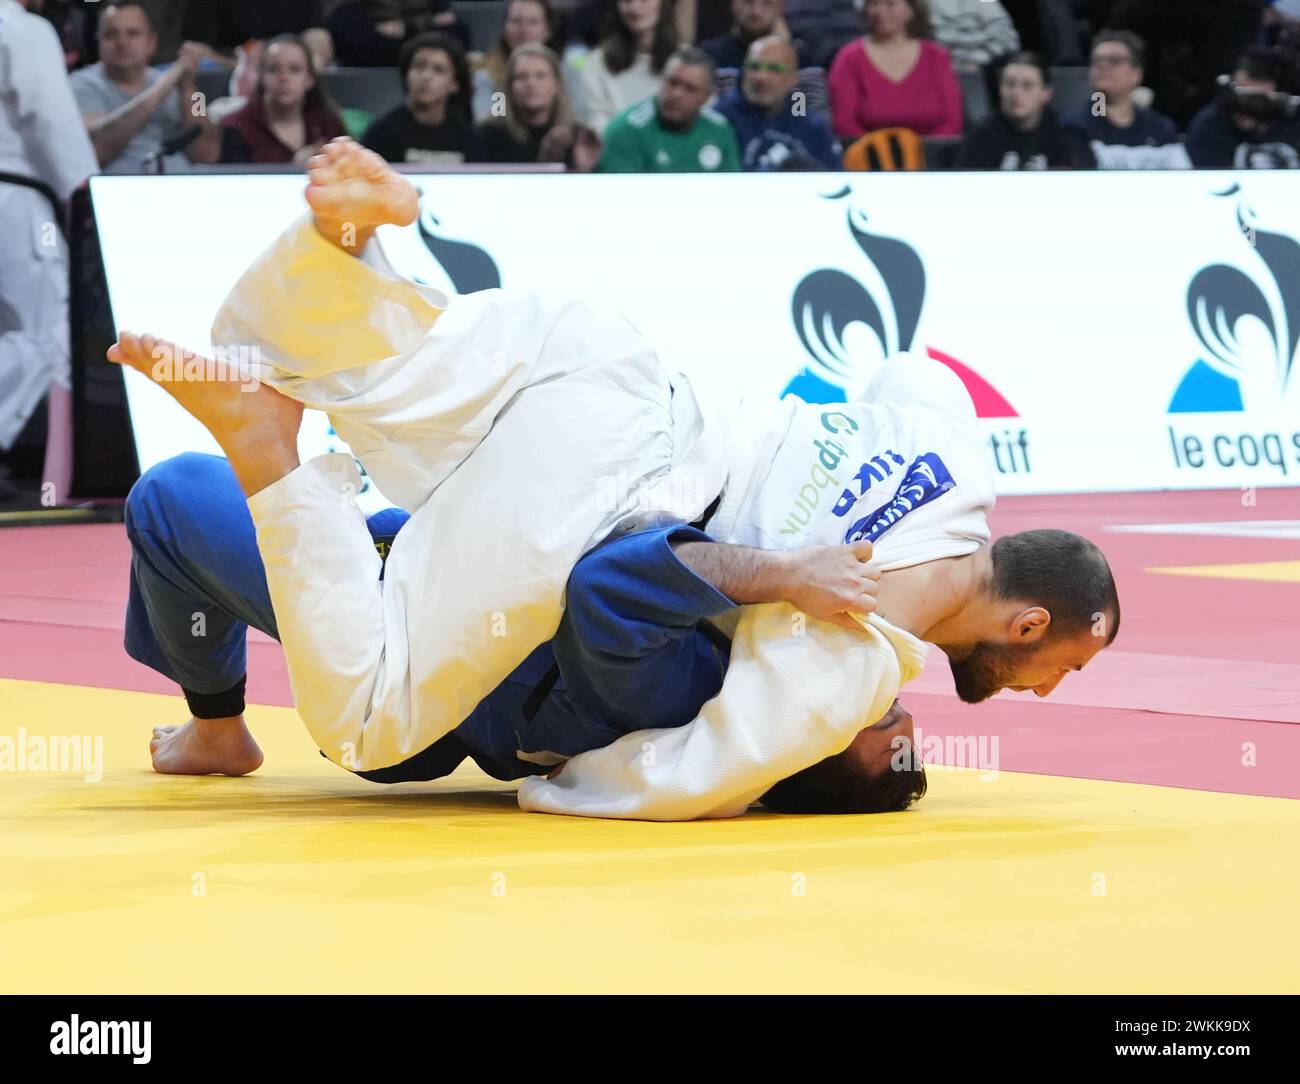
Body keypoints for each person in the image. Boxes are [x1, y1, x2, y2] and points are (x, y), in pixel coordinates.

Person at [108, 138, 1120, 820]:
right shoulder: (845, 660)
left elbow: (913, 371)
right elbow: (680, 775)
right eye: (1064, 666)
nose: (1047, 689)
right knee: (371, 719)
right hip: (591, 504)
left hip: (622, 378)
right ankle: (271, 455)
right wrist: (560, 783)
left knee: (404, 390)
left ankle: (351, 243)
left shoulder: (953, 455)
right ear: (1028, 621)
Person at [0, 0, 98, 501]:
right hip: (14, 202)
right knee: (43, 331)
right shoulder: (22, 29)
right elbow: (50, 120)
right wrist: (86, 194)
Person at [70, 0, 220, 173]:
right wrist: (164, 85)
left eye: (133, 33)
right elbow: (96, 148)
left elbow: (208, 153)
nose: (122, 42)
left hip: (180, 184)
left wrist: (189, 89)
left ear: (151, 41)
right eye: (111, 34)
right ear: (98, 41)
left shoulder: (185, 89)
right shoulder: (81, 85)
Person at [827, 0, 963, 143]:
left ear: (911, 10)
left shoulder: (936, 57)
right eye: (873, 4)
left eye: (890, 4)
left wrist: (921, 150)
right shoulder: (849, 57)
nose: (879, 11)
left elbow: (952, 121)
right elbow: (844, 123)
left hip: (934, 154)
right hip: (867, 153)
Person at [597, 46, 742, 171]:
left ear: (706, 97)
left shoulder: (719, 130)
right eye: (672, 82)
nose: (676, 94)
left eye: (690, 89)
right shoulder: (626, 131)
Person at [1061, 30, 1190, 169]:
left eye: (1114, 61)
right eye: (1097, 60)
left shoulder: (1161, 128)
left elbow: (1183, 175)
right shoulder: (1075, 126)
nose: (1103, 66)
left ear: (1136, 73)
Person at [714, 35, 841, 168]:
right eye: (754, 66)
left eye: (774, 69)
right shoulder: (720, 120)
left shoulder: (812, 127)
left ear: (793, 79)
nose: (761, 77)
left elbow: (832, 176)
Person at [220, 35, 347, 165]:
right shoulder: (235, 128)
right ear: (261, 76)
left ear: (310, 78)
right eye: (274, 69)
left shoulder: (329, 124)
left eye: (294, 69)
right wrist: (293, 169)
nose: (284, 77)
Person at [955, 51, 1093, 169]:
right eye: (1009, 84)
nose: (1015, 93)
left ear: (1046, 93)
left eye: (1027, 86)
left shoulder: (1066, 137)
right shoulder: (979, 138)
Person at [363, 31, 481, 164]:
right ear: (406, 74)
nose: (426, 76)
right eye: (419, 66)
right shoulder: (381, 134)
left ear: (454, 83)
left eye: (438, 70)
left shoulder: (467, 138)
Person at [477, 43, 594, 166]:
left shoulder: (577, 138)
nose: (531, 83)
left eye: (540, 76)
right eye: (521, 77)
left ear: (557, 85)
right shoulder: (487, 136)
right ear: (509, 87)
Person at [1185, 45, 1300, 169]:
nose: (1245, 107)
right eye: (1240, 98)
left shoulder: (1293, 123)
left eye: (1256, 101)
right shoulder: (1211, 126)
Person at [574, 0, 679, 135]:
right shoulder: (596, 63)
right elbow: (594, 119)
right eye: (627, 1)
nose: (635, 7)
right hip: (613, 144)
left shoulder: (683, 61)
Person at [471, 0, 558, 122]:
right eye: (516, 21)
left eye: (533, 22)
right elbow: (488, 122)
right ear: (504, 27)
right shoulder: (487, 75)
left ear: (547, 30)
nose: (524, 30)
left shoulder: (562, 72)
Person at [323, 0, 469, 66]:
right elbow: (366, 45)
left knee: (455, 34)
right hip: (367, 44)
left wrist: (407, 27)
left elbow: (452, 29)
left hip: (411, 35)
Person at [698, 0, 802, 70]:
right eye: (747, 1)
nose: (755, 11)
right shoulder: (707, 56)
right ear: (733, 3)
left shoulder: (800, 56)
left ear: (781, 7)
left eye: (767, 2)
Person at [928, 0, 1019, 74]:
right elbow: (939, 38)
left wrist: (979, 58)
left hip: (987, 63)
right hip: (946, 66)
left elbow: (1007, 36)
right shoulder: (929, 3)